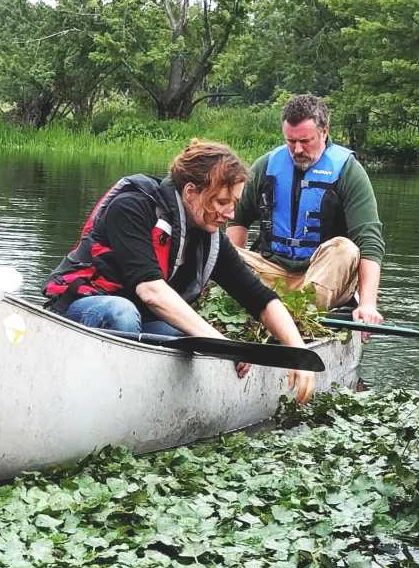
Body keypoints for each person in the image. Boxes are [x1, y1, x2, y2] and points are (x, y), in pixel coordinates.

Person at [42, 140, 317, 401]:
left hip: (139, 322)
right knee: (121, 312)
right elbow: (151, 292)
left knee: (187, 341)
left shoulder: (211, 239)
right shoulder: (131, 207)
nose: (231, 214)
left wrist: (298, 352)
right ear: (190, 192)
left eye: (234, 203)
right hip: (81, 310)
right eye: (222, 201)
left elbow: (260, 299)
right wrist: (223, 345)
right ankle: (110, 399)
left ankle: (146, 403)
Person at [227, 95, 386, 324]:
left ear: (324, 131)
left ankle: (290, 314)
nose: (297, 149)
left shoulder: (348, 171)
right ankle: (275, 310)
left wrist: (368, 304)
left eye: (305, 141)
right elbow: (237, 220)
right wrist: (232, 274)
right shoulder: (266, 166)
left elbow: (369, 241)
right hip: (271, 273)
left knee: (345, 249)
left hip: (323, 276)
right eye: (290, 141)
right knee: (215, 248)